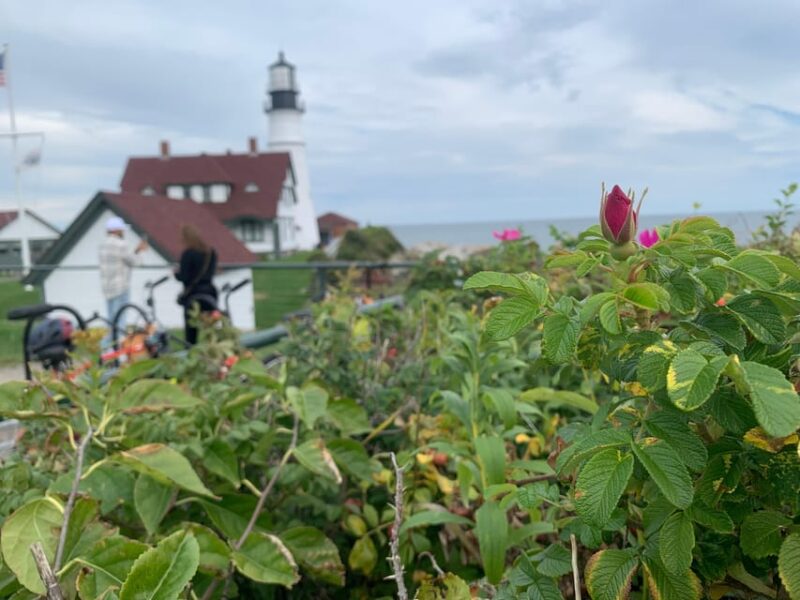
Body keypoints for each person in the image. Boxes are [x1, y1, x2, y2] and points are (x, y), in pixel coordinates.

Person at [99, 216, 147, 337]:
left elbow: (122, 259)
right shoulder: (121, 244)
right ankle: (118, 346)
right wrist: (140, 251)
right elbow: (135, 262)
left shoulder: (103, 245)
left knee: (111, 318)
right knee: (120, 318)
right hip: (120, 286)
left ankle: (108, 347)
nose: (123, 232)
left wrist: (135, 251)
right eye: (122, 229)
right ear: (117, 230)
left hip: (107, 286)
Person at [174, 224, 218, 345]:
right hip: (210, 292)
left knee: (191, 329)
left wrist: (176, 274)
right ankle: (213, 349)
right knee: (211, 327)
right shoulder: (211, 252)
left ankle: (191, 350)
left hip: (193, 295)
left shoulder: (188, 254)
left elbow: (185, 277)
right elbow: (212, 272)